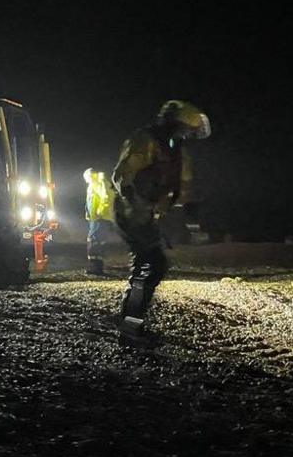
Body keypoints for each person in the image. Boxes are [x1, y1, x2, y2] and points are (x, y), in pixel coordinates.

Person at [111, 100, 210, 339]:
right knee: (154, 264)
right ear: (174, 124)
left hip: (147, 214)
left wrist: (190, 206)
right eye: (185, 129)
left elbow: (182, 185)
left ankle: (128, 318)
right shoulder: (146, 140)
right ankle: (131, 324)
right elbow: (122, 175)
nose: (187, 135)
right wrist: (133, 201)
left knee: (145, 263)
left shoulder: (176, 151)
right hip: (130, 212)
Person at [84, 168, 115, 275]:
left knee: (94, 240)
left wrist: (100, 212)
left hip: (100, 218)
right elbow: (91, 201)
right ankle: (96, 266)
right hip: (96, 218)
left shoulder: (100, 183)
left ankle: (96, 268)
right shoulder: (94, 184)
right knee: (96, 240)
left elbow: (106, 198)